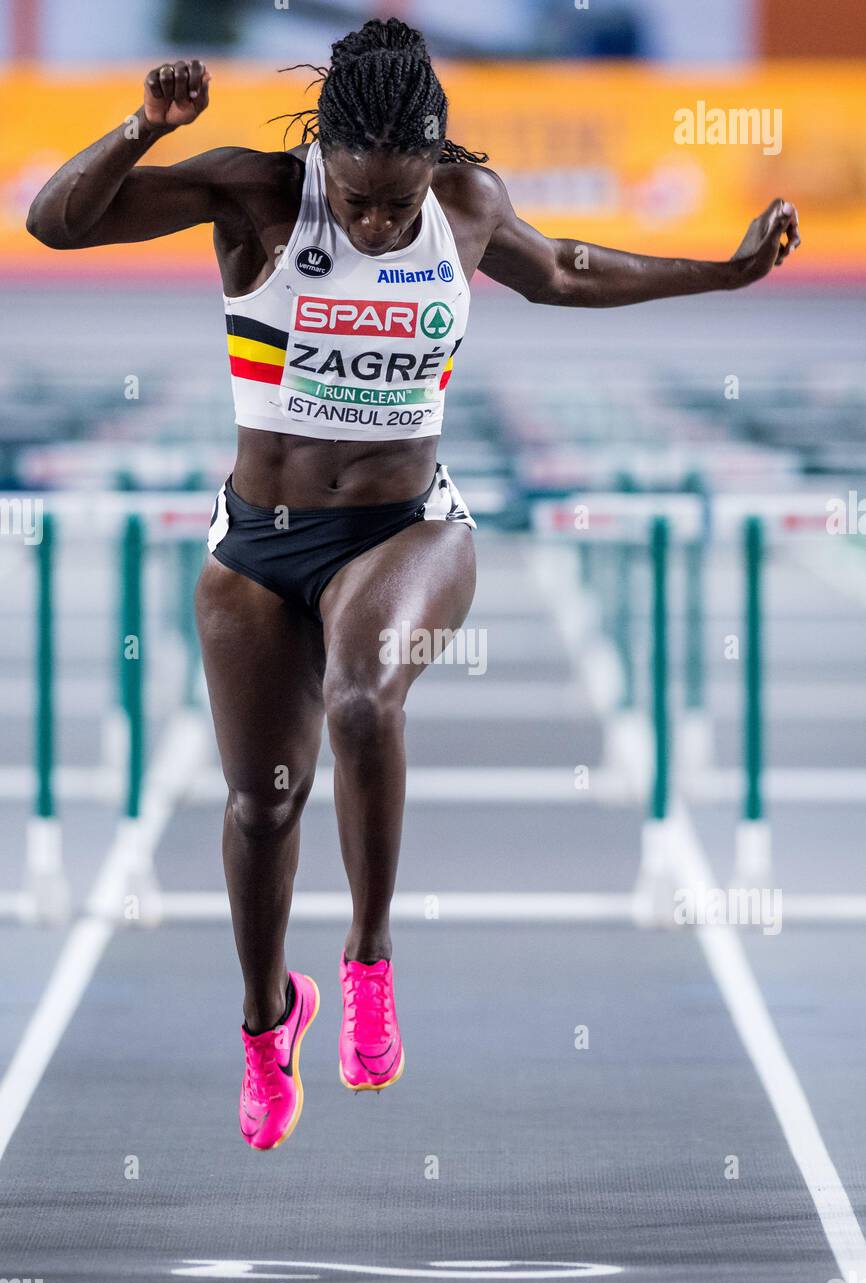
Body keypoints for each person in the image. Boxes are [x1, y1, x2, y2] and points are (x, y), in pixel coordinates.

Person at [27, 17, 800, 1151]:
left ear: (431, 165)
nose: (382, 225)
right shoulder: (256, 196)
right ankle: (266, 1019)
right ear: (323, 162)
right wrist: (143, 129)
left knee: (358, 698)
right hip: (257, 542)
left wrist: (725, 274)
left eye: (399, 203)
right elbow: (56, 224)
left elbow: (568, 271)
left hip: (406, 527)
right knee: (259, 803)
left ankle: (370, 958)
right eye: (359, 202)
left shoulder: (465, 204)